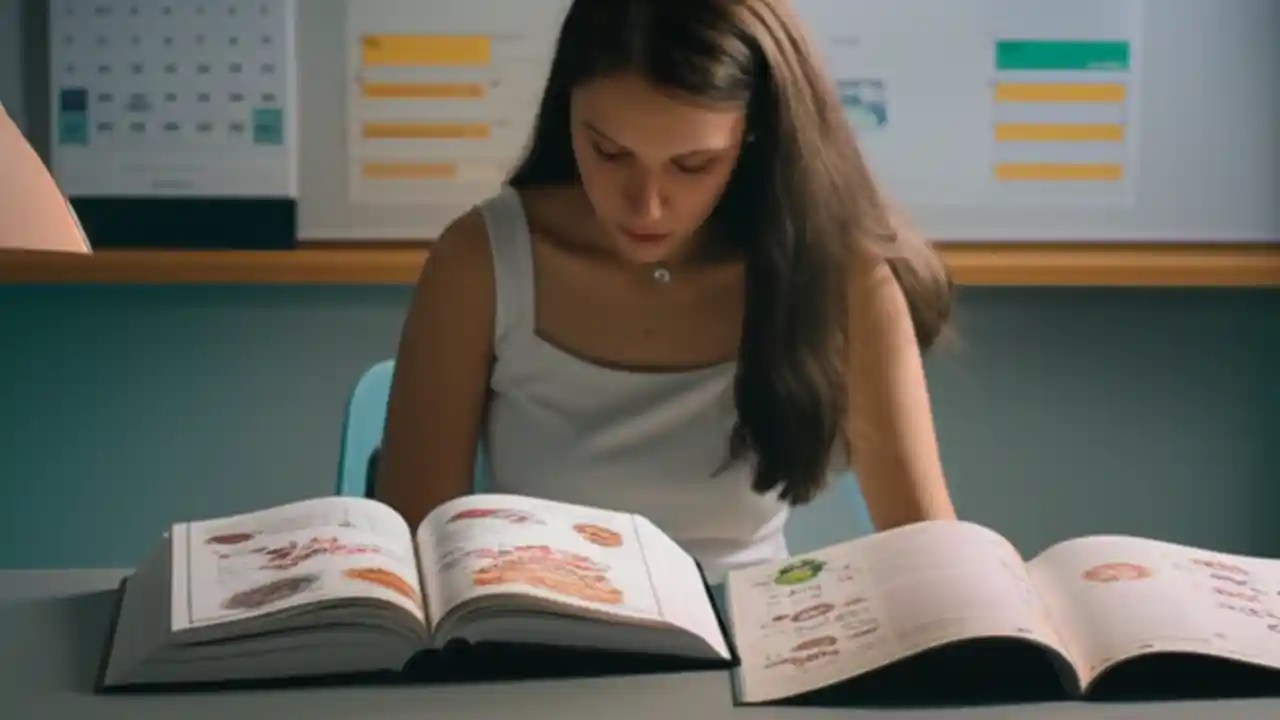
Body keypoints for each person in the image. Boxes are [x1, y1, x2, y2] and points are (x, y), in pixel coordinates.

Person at [375, 0, 957, 585]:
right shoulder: (480, 262)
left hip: (756, 651)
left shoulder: (841, 275)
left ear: (755, 134)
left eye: (693, 164)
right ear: (566, 107)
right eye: (609, 153)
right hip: (541, 645)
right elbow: (413, 558)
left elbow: (931, 552)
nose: (646, 206)